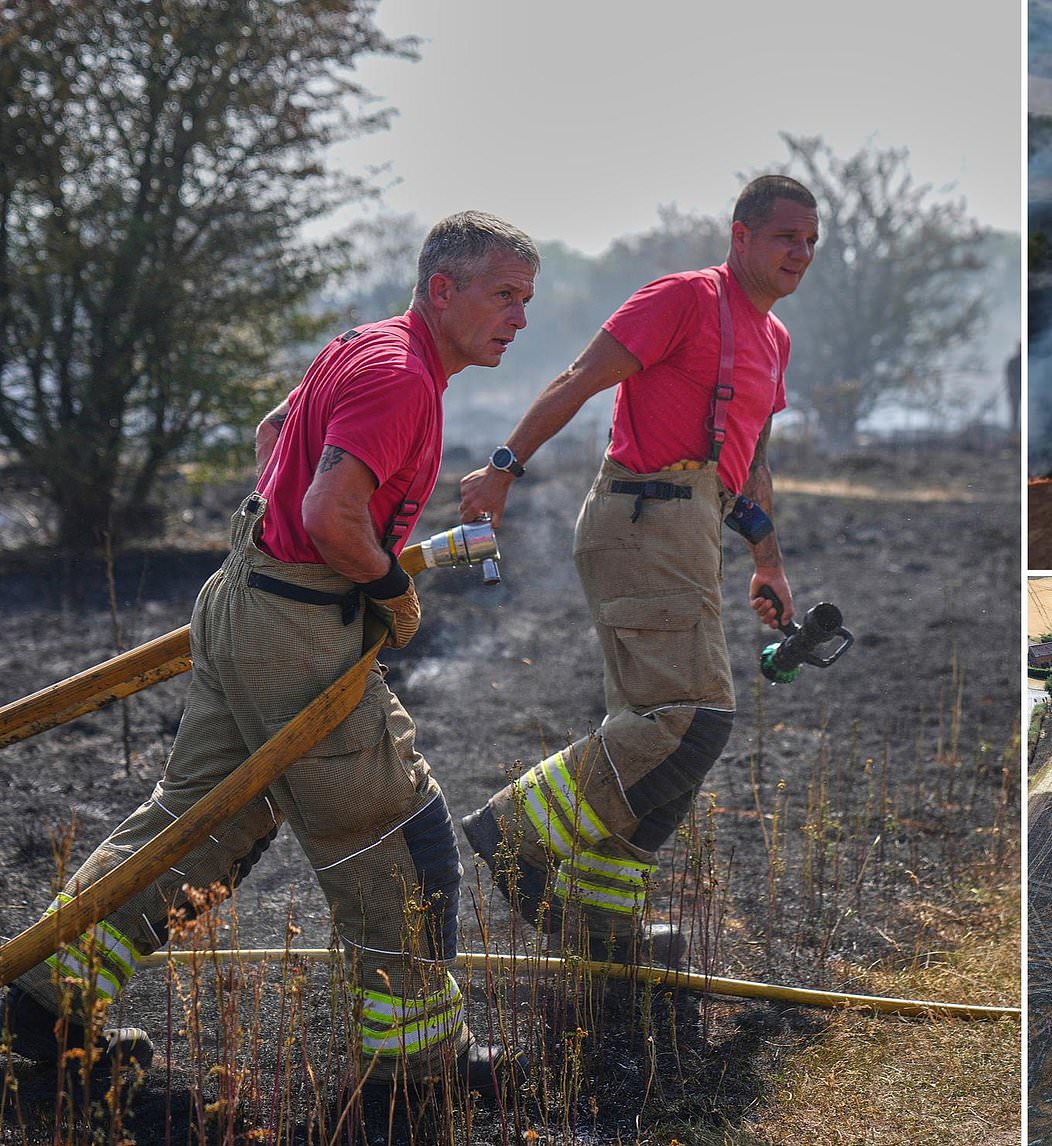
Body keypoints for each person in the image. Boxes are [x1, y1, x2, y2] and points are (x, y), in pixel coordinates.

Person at [0, 211, 539, 1131]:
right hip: (294, 623)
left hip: (249, 598)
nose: (519, 320)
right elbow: (335, 512)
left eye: (526, 301)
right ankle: (410, 1068)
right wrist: (385, 590)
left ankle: (45, 1010)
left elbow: (272, 433)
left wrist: (280, 555)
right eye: (504, 297)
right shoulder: (404, 376)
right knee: (393, 827)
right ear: (442, 289)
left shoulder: (367, 347)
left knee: (198, 825)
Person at [455, 176, 816, 982]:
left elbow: (751, 458)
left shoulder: (775, 340)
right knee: (694, 721)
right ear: (741, 236)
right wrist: (504, 468)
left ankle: (600, 920)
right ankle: (515, 833)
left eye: (811, 241)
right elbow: (580, 378)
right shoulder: (685, 298)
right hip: (639, 518)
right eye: (787, 236)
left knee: (668, 726)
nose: (801, 253)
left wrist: (767, 558)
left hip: (693, 528)